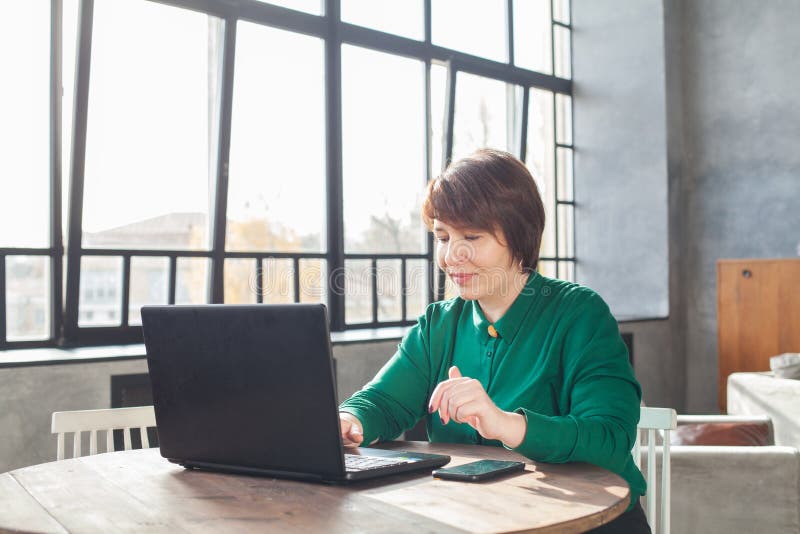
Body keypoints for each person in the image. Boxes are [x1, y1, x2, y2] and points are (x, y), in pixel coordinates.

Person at [338, 148, 650, 533]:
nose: (453, 255)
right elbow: (383, 402)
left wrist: (505, 424)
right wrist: (349, 421)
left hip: (591, 522)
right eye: (442, 236)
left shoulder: (580, 314)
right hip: (480, 519)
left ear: (519, 235)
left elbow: (610, 437)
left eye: (472, 236)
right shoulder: (439, 324)